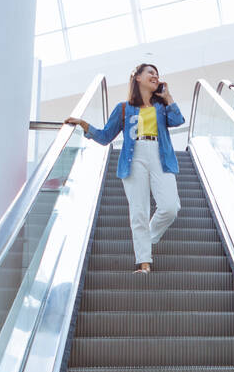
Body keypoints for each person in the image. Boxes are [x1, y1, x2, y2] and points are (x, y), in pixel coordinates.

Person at [66, 64, 184, 273]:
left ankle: (148, 237)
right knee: (139, 211)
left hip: (160, 154)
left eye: (157, 74)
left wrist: (168, 97)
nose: (155, 76)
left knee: (170, 207)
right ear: (137, 78)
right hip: (134, 156)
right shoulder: (123, 108)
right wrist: (85, 125)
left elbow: (178, 120)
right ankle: (144, 262)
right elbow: (104, 137)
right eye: (150, 72)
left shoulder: (161, 106)